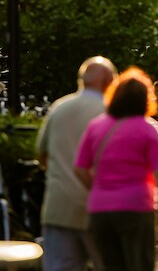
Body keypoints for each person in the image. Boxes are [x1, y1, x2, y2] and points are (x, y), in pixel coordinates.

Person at [75, 68, 158, 271]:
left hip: (100, 209)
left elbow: (79, 169)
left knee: (110, 265)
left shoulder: (96, 126)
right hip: (137, 207)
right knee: (139, 264)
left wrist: (97, 188)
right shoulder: (148, 129)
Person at [37, 57, 118, 271]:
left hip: (59, 206)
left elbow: (41, 154)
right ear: (109, 82)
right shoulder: (111, 113)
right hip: (100, 206)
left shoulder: (59, 108)